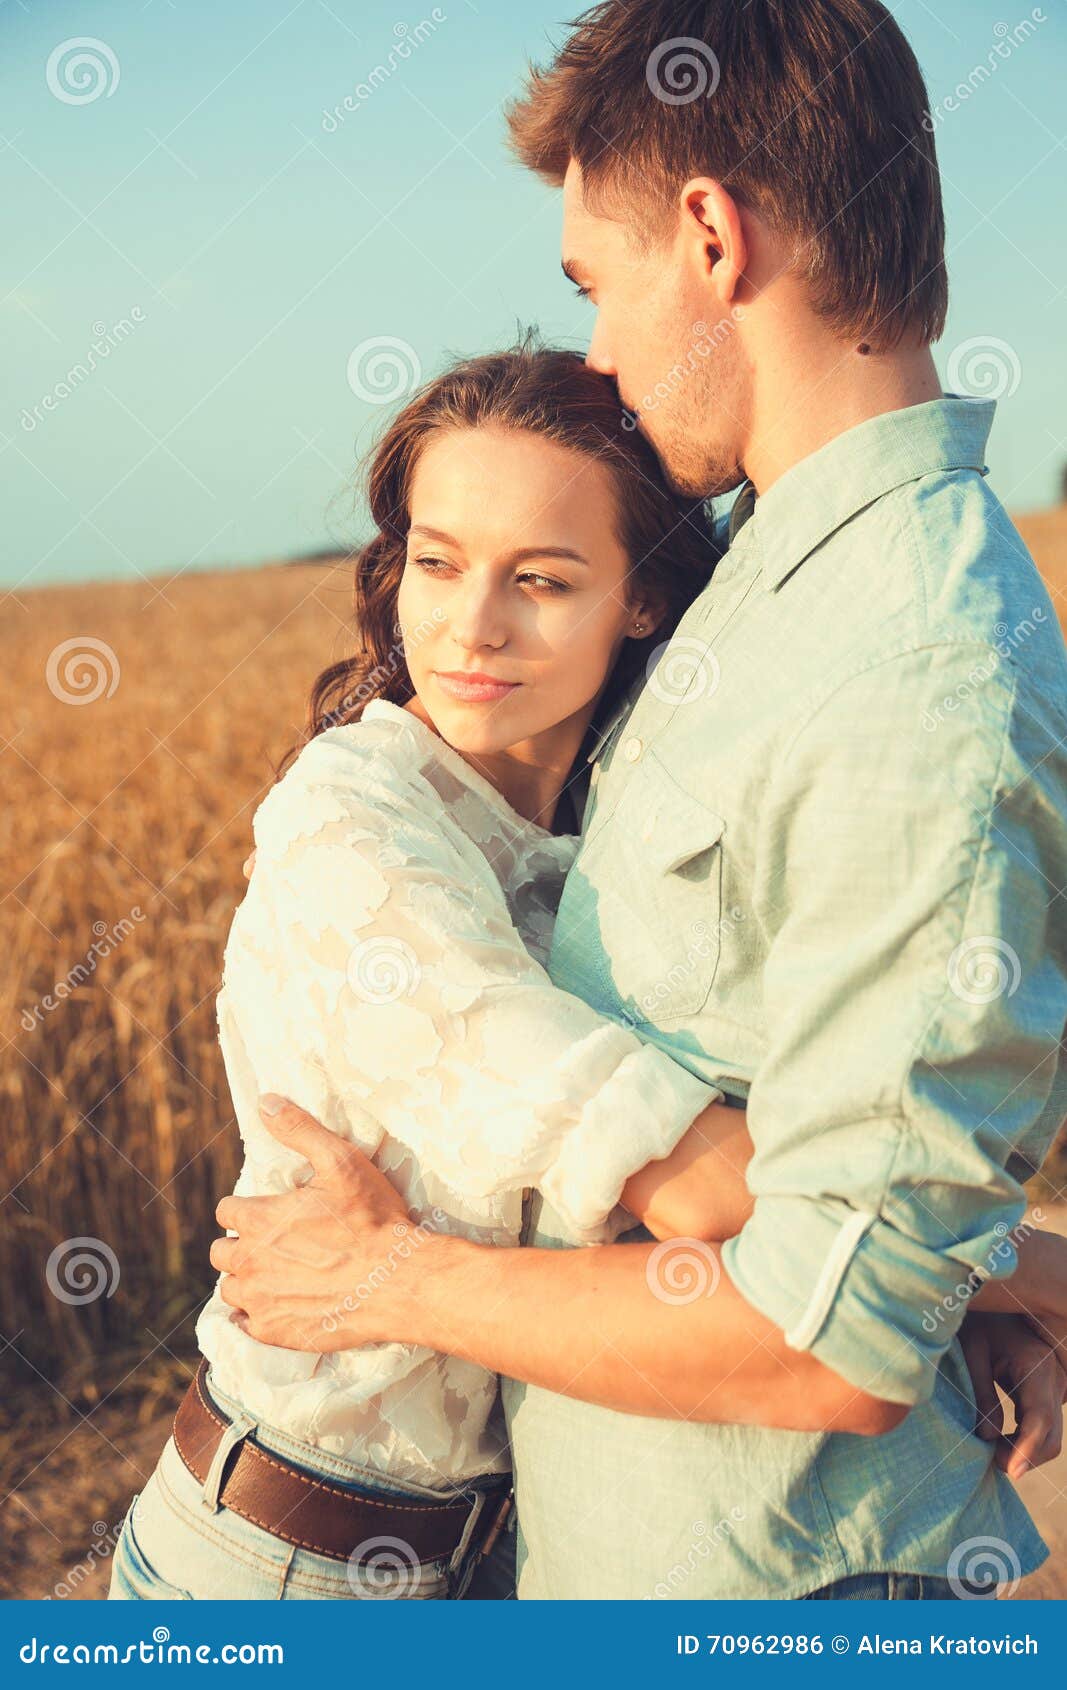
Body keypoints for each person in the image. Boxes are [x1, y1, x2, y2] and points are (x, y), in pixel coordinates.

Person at [211, 0, 1067, 1602]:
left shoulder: (912, 667)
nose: (593, 350)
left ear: (709, 234)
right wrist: (989, 1265)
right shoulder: (772, 573)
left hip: (761, 1590)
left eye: (591, 286)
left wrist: (389, 1273)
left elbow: (830, 1338)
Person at [111, 342, 821, 1601]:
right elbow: (696, 1187)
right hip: (289, 1567)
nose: (470, 627)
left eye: (540, 579)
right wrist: (1019, 1279)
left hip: (511, 1557)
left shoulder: (607, 830)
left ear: (641, 598)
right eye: (435, 563)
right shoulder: (355, 835)